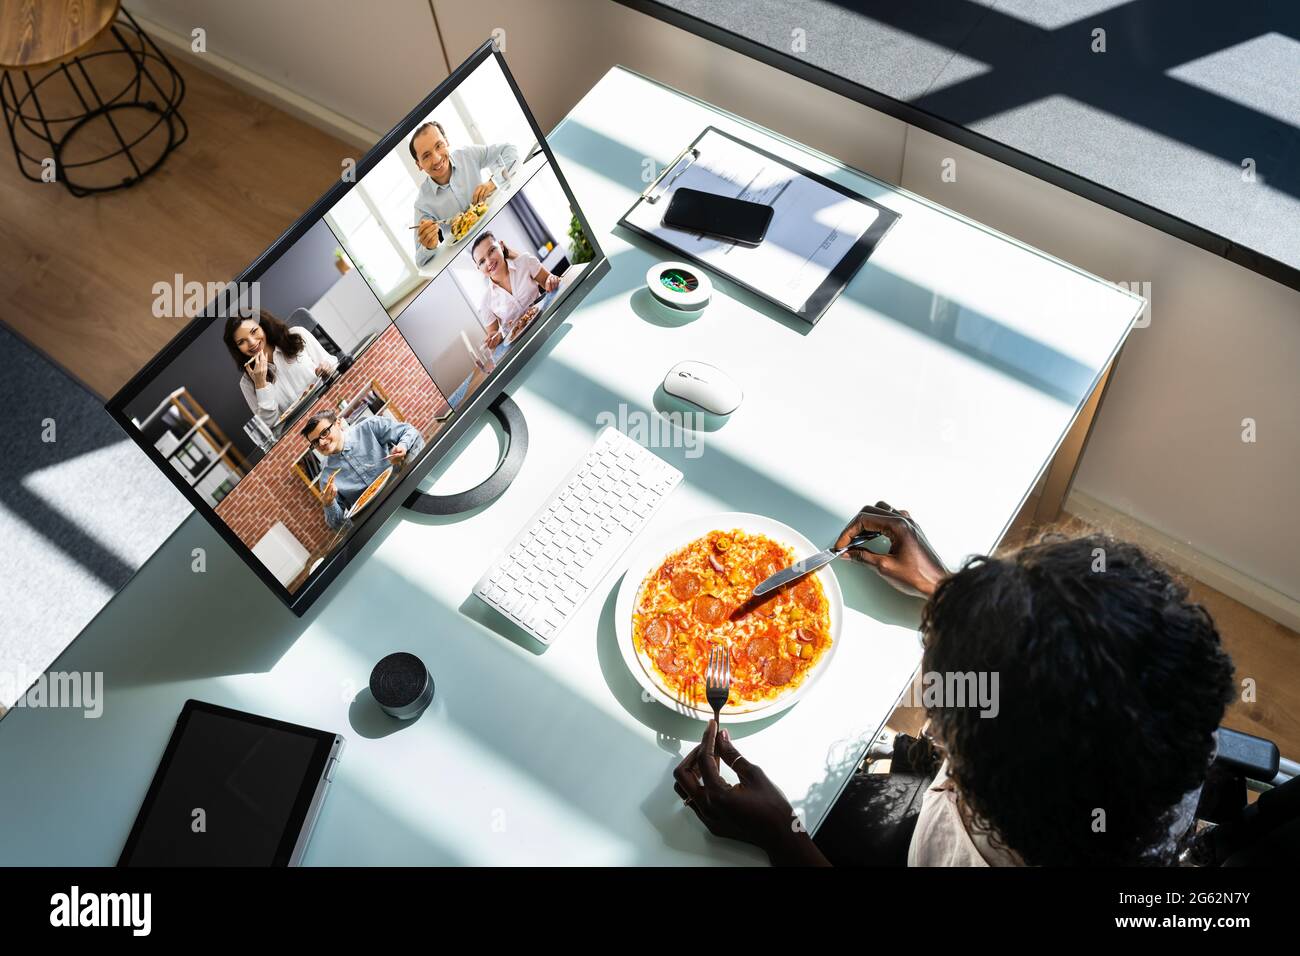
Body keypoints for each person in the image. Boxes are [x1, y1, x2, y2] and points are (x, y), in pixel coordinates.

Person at [672, 503, 1235, 866]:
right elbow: (1062, 659)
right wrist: (952, 594)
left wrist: (784, 838)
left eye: (948, 734)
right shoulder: (1165, 709)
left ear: (986, 797)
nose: (932, 721)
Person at [410, 120, 520, 267]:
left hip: (501, 223)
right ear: (419, 165)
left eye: (438, 145)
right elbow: (420, 260)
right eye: (426, 156)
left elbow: (510, 151)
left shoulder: (467, 155)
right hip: (469, 257)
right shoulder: (422, 204)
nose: (436, 159)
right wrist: (428, 245)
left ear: (446, 141)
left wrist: (493, 183)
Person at [302, 410, 424, 531]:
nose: (322, 442)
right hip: (379, 520)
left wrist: (402, 446)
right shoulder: (326, 478)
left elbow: (409, 431)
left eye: (324, 432)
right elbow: (339, 526)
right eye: (315, 442)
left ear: (338, 423)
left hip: (406, 489)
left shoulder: (369, 426)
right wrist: (329, 504)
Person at [224, 311, 336, 427]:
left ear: (262, 326)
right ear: (236, 348)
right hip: (301, 430)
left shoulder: (298, 334)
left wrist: (327, 367)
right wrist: (260, 385)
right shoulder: (247, 383)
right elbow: (270, 425)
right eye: (241, 342)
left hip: (330, 405)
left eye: (254, 331)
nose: (252, 343)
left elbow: (334, 364)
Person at [471, 231, 559, 356]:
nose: (489, 261)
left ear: (501, 246)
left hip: (548, 322)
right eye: (481, 262)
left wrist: (552, 281)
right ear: (478, 268)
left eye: (491, 251)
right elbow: (495, 335)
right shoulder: (485, 302)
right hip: (522, 349)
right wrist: (494, 339)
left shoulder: (525, 261)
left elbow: (549, 281)